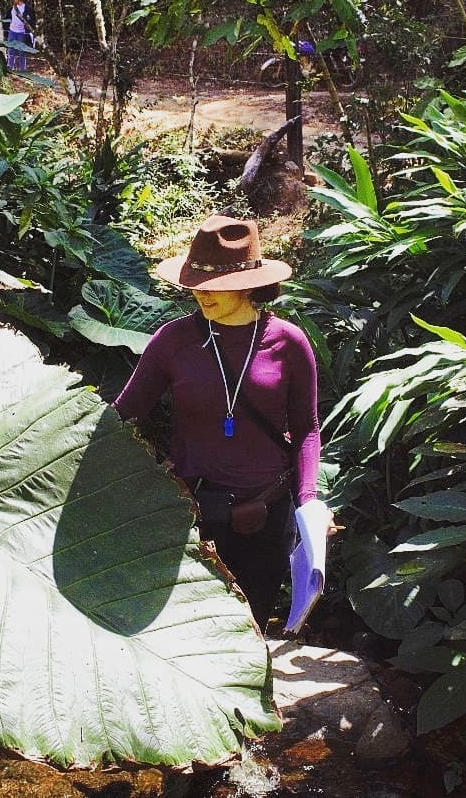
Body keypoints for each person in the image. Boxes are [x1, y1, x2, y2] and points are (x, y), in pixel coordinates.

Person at [113, 215, 337, 630]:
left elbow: (306, 427)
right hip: (193, 510)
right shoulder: (174, 340)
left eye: (217, 286)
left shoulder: (288, 341)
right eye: (196, 284)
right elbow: (122, 415)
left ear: (251, 283)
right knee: (190, 627)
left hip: (268, 511)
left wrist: (308, 500)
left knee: (251, 625)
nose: (203, 294)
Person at [6, 0, 36, 72]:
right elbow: (8, 18)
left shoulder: (28, 9)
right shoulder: (12, 8)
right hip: (12, 31)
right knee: (11, 49)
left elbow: (32, 20)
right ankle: (10, 66)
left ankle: (23, 68)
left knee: (21, 51)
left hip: (22, 33)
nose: (12, 0)